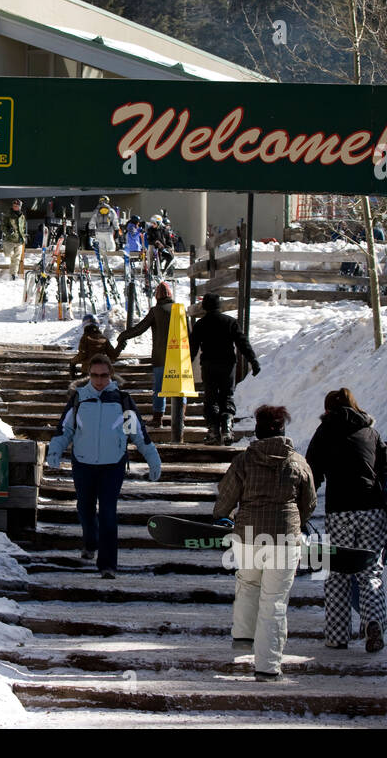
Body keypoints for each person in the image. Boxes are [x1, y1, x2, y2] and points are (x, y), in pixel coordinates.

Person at [212, 404, 317, 681]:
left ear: (258, 430)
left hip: (249, 536)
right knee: (274, 601)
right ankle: (268, 667)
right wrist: (296, 521)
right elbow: (309, 503)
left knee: (248, 583)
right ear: (283, 429)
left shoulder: (244, 461)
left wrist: (221, 515)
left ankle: (244, 637)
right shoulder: (298, 462)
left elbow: (226, 496)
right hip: (285, 539)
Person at [46, 354, 161, 579]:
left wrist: (153, 459)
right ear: (89, 375)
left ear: (111, 375)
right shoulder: (79, 398)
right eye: (95, 375)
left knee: (108, 512)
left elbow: (138, 433)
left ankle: (108, 565)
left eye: (104, 375)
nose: (99, 380)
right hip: (83, 463)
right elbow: (65, 429)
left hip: (113, 465)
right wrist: (55, 450)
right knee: (85, 508)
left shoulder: (122, 400)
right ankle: (90, 542)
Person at [305, 388, 387, 653]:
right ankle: (373, 622)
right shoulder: (371, 433)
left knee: (336, 573)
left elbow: (311, 472)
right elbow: (386, 470)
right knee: (370, 570)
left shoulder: (324, 432)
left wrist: (304, 508)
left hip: (340, 511)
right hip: (372, 510)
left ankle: (337, 635)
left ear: (327, 410)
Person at [188, 293, 260, 445]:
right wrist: (253, 360)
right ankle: (227, 427)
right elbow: (242, 343)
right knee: (227, 395)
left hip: (208, 365)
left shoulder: (200, 324)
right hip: (227, 365)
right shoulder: (230, 322)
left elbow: (192, 348)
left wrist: (187, 365)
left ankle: (213, 431)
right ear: (218, 305)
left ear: (205, 306)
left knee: (211, 397)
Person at [112, 282, 180, 429]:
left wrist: (123, 335)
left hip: (160, 358)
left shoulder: (156, 311)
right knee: (180, 390)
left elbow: (140, 328)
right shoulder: (179, 310)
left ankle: (157, 418)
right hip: (179, 358)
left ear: (157, 296)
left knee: (159, 389)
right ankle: (180, 418)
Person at [1, 199, 27, 280]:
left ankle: (13, 274)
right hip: (9, 240)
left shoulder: (22, 217)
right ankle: (3, 273)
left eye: (17, 206)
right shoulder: (8, 215)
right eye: (14, 206)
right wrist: (8, 231)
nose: (15, 207)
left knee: (17, 258)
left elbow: (23, 228)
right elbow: (3, 226)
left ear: (20, 207)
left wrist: (24, 236)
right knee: (8, 256)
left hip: (19, 241)